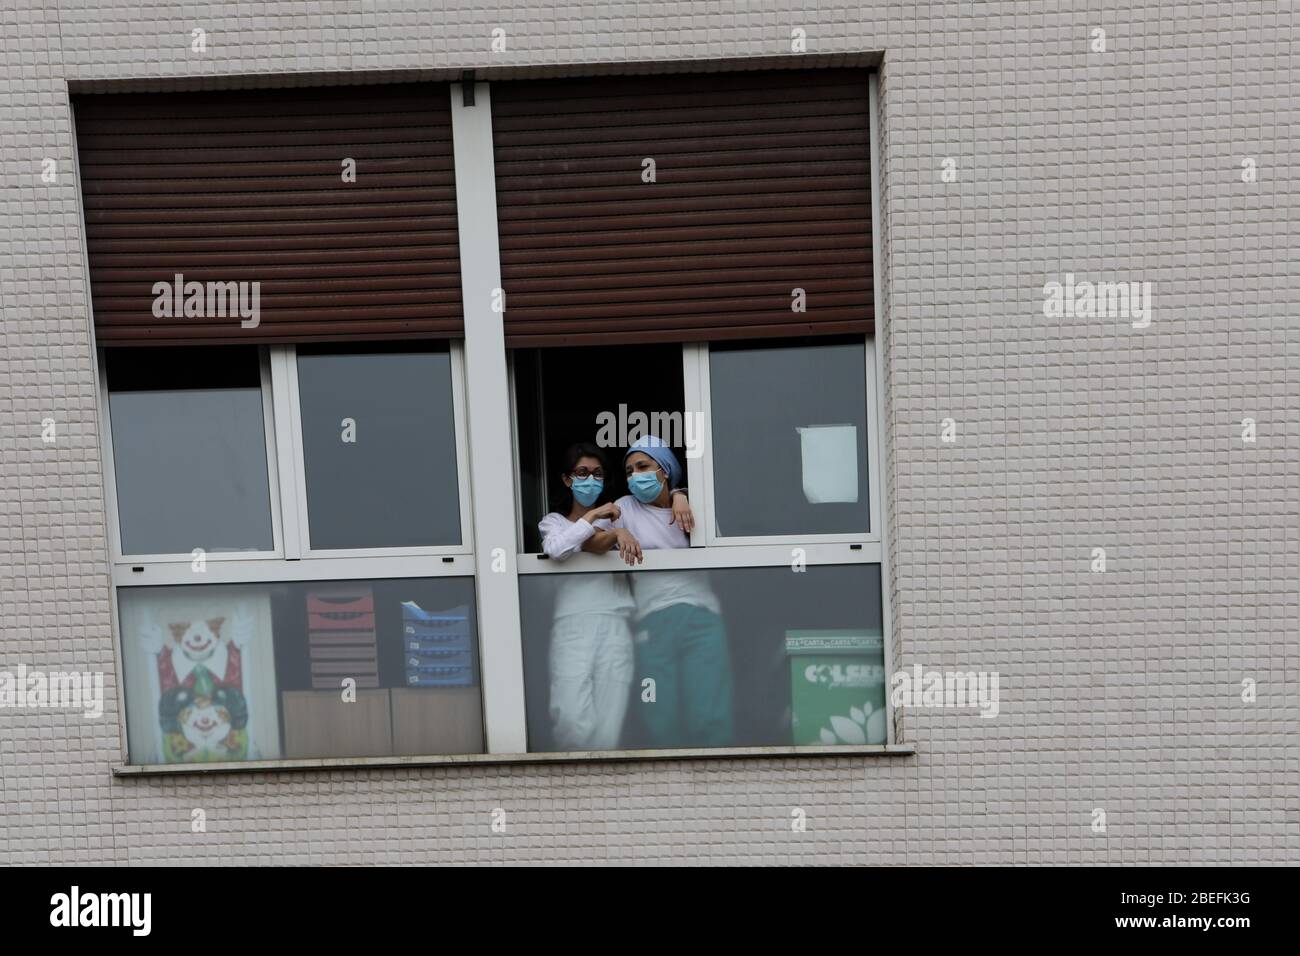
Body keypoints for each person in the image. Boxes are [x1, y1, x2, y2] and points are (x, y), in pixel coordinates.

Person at [610, 435, 733, 748]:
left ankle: (716, 784)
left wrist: (680, 494)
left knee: (708, 708)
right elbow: (583, 538)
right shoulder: (624, 508)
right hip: (651, 620)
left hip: (702, 616)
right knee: (659, 712)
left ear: (664, 470)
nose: (635, 475)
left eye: (643, 466)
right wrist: (619, 531)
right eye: (629, 470)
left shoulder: (695, 501)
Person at [536, 443, 633, 750]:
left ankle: (606, 793)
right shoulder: (554, 522)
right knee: (571, 717)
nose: (590, 479)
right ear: (567, 479)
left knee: (610, 723)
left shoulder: (618, 518)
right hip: (572, 624)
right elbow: (556, 550)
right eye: (582, 473)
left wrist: (680, 493)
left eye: (598, 474)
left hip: (617, 621)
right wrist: (593, 516)